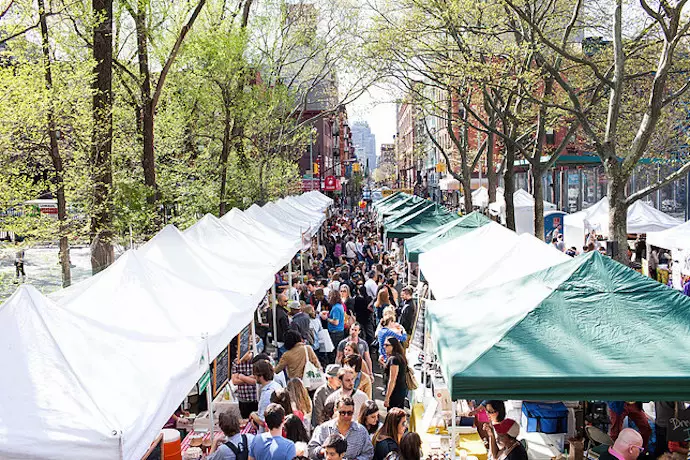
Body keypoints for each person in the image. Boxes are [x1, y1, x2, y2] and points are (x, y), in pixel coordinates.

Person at [308, 396, 375, 460]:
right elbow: (311, 450)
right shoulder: (323, 429)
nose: (346, 416)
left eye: (349, 413)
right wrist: (325, 452)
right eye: (342, 412)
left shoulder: (361, 431)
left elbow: (369, 453)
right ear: (335, 410)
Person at [250, 360, 282, 428]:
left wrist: (252, 414)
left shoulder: (267, 394)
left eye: (255, 375)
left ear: (261, 376)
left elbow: (263, 422)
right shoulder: (276, 385)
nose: (254, 377)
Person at [232, 351, 259, 419]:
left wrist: (241, 377)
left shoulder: (256, 359)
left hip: (255, 398)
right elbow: (234, 381)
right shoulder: (236, 362)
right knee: (245, 420)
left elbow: (255, 380)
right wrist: (249, 378)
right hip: (243, 399)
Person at [382, 337, 407, 410]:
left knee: (393, 415)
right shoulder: (398, 357)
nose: (384, 347)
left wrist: (387, 397)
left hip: (395, 392)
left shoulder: (394, 359)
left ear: (393, 346)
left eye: (387, 345)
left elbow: (392, 379)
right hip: (399, 391)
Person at [326, 290, 346, 363]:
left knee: (333, 352)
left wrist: (327, 319)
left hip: (335, 332)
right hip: (339, 331)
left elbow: (335, 322)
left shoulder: (336, 308)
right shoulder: (339, 306)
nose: (328, 298)